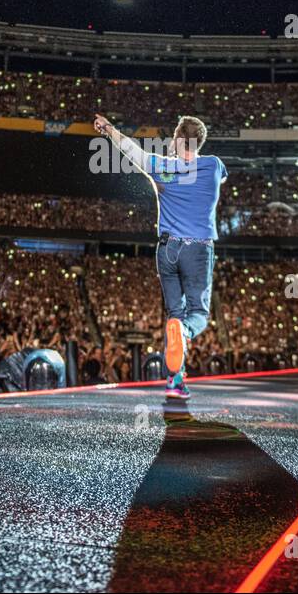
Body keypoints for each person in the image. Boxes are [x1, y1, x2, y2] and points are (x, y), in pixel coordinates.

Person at [93, 114, 227, 400]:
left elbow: (131, 151)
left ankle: (175, 380)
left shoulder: (160, 166)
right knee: (198, 315)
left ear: (177, 138)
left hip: (166, 249)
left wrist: (108, 130)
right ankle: (186, 333)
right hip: (198, 249)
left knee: (173, 315)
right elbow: (217, 179)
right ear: (200, 140)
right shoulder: (213, 165)